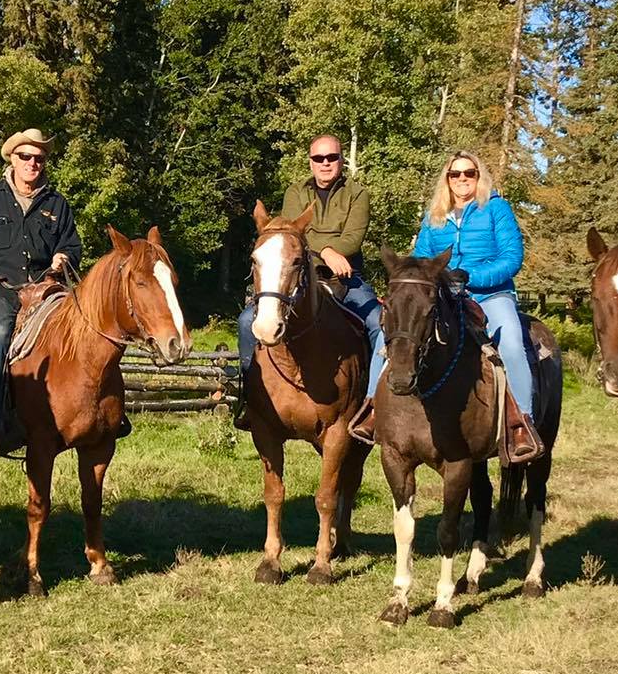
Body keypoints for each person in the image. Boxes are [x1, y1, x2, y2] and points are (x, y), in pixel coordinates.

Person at [228, 134, 387, 432]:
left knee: (379, 323)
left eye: (332, 158)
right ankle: (249, 396)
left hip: (346, 278)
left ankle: (373, 403)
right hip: (299, 276)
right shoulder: (295, 192)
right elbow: (291, 235)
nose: (325, 164)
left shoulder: (357, 194)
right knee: (246, 321)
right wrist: (326, 251)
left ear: (341, 160)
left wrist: (328, 251)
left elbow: (353, 238)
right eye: (319, 158)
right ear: (310, 162)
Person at [0, 129, 82, 457]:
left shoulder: (56, 203)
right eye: (26, 156)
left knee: (83, 331)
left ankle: (95, 413)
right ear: (12, 158)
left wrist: (64, 256)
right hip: (3, 290)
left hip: (47, 289)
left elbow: (71, 244)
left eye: (39, 158)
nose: (32, 163)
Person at [410, 150, 541, 463]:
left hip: (491, 295)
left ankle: (522, 423)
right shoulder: (435, 215)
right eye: (455, 174)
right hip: (445, 295)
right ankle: (378, 409)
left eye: (469, 173)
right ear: (447, 179)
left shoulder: (495, 208)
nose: (462, 179)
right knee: (402, 335)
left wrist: (472, 277)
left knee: (510, 339)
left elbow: (512, 258)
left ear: (478, 177)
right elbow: (421, 258)